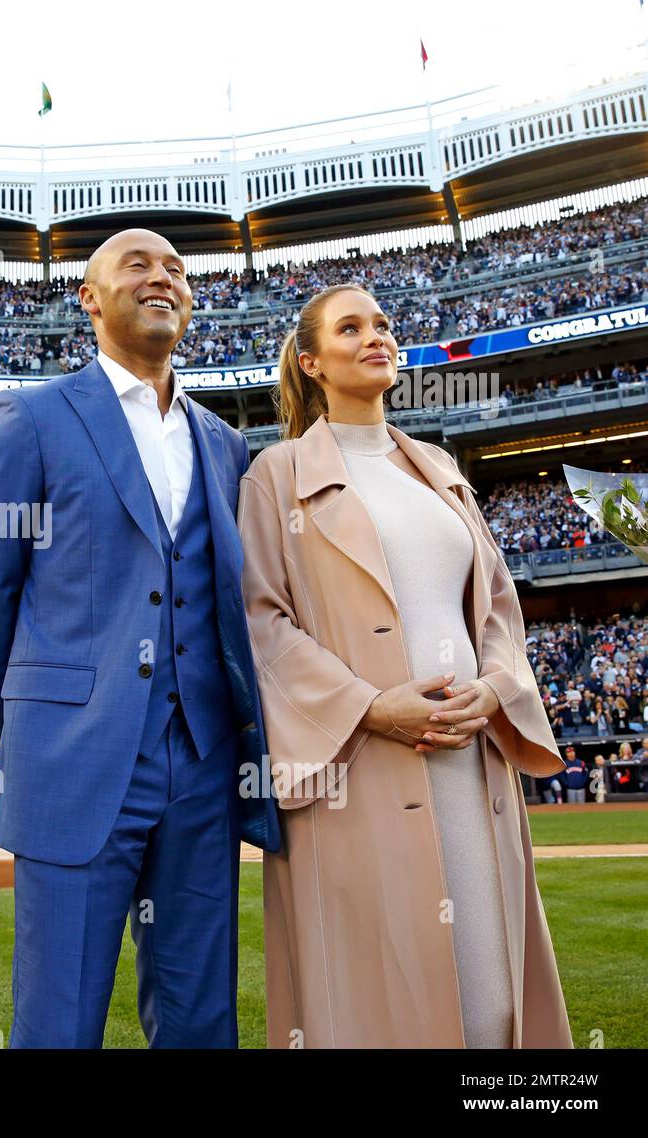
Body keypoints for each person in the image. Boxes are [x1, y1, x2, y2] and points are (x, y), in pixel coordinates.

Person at [0, 228, 278, 1048]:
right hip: (74, 757)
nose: (161, 277)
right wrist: (38, 724)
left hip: (202, 766)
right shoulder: (30, 418)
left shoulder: (225, 443)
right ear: (90, 298)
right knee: (59, 1021)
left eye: (176, 268)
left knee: (202, 1019)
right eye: (137, 265)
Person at [238, 281, 571, 1048]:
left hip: (471, 758)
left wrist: (493, 690)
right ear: (313, 361)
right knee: (375, 997)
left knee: (490, 996)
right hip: (355, 764)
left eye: (383, 324)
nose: (375, 337)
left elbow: (496, 609)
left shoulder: (442, 469)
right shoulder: (276, 474)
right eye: (350, 329)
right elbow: (262, 622)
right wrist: (368, 706)